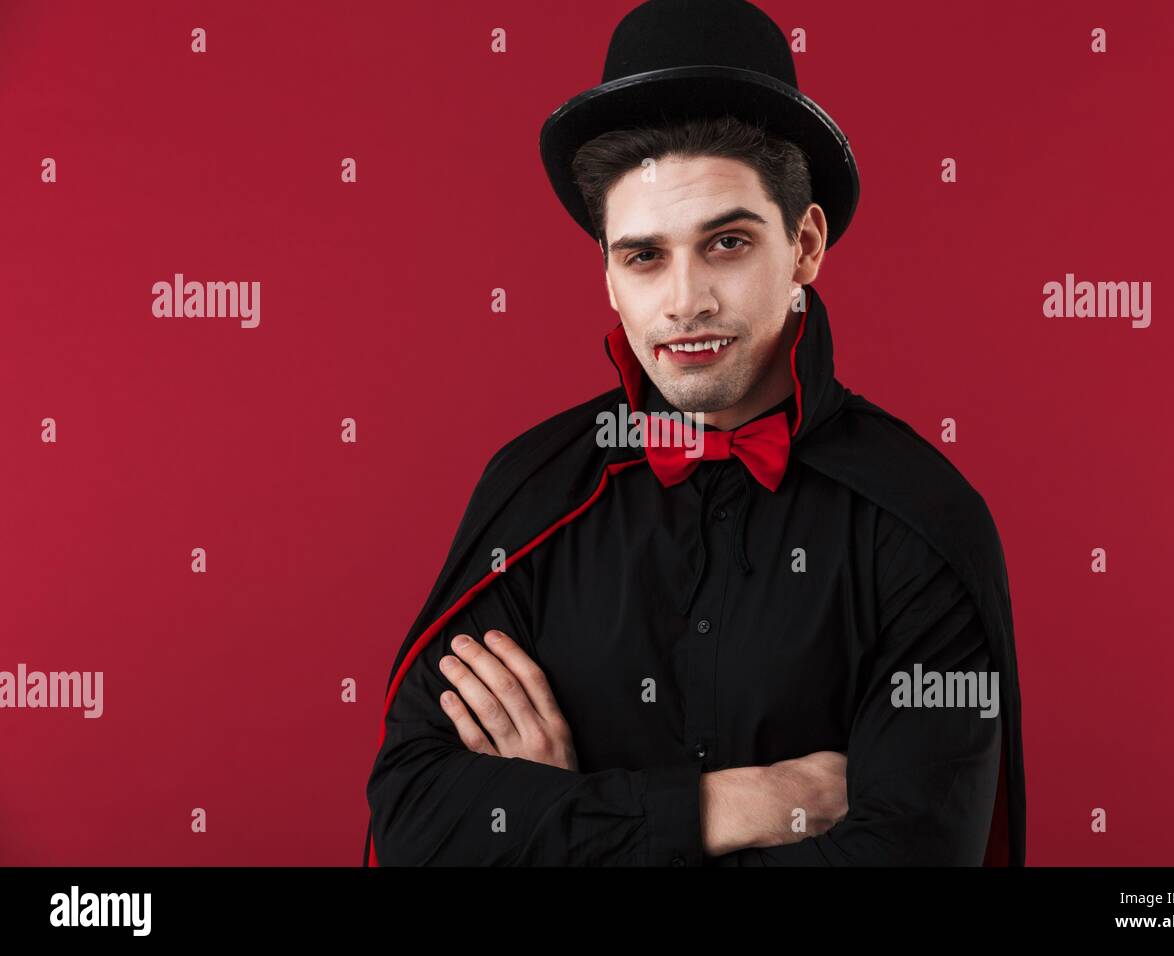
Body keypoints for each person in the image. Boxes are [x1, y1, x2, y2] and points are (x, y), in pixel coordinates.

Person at [363, 0, 1025, 866]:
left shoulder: (923, 522)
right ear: (607, 274)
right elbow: (415, 818)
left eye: (726, 244)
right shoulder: (529, 496)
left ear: (806, 245)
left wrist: (562, 824)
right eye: (644, 256)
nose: (685, 302)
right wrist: (739, 804)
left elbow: (915, 858)